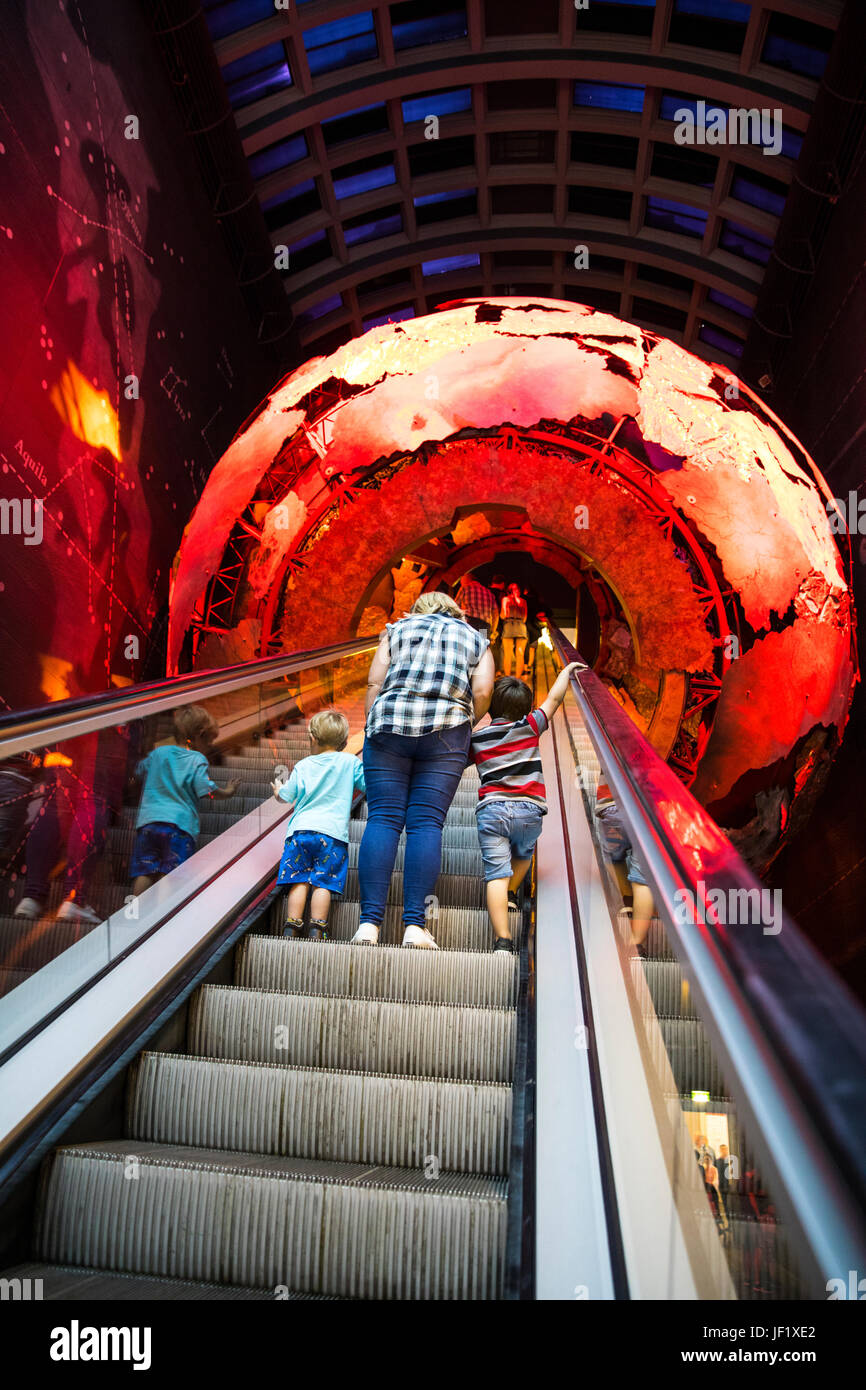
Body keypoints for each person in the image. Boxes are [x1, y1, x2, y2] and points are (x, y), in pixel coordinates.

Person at [353, 591, 495, 948]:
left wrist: (373, 720)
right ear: (456, 610)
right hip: (446, 733)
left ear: (417, 609)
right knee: (426, 825)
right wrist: (465, 723)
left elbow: (374, 682)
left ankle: (369, 925)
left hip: (388, 730)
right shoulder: (475, 639)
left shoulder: (396, 630)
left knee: (382, 819)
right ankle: (415, 926)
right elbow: (483, 690)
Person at [470, 662, 585, 951]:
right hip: (529, 810)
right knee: (523, 853)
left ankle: (503, 940)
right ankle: (511, 892)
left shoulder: (477, 739)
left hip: (493, 810)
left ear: (491, 707)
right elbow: (555, 699)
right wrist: (565, 672)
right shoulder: (530, 725)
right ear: (525, 709)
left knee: (495, 872)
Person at [270, 710, 365, 941]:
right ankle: (317, 928)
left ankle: (291, 927)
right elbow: (367, 785)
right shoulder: (351, 762)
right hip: (332, 836)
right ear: (344, 741)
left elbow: (288, 794)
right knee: (323, 881)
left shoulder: (303, 765)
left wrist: (278, 791)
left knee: (299, 879)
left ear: (312, 738)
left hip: (300, 833)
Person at [130, 705, 239, 896]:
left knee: (144, 871)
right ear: (199, 735)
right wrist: (227, 792)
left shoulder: (159, 753)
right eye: (210, 740)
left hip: (148, 823)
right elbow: (205, 788)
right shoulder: (197, 759)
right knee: (169, 874)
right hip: (178, 827)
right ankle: (161, 917)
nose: (211, 746)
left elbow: (139, 770)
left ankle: (137, 917)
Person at [595, 783, 656, 955]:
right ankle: (636, 942)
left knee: (612, 857)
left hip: (612, 807)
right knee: (642, 881)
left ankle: (627, 899)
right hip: (650, 811)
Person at [454, 574, 499, 638]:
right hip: (485, 626)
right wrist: (493, 631)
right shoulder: (489, 593)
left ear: (467, 579)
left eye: (462, 581)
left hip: (470, 623)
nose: (461, 583)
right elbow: (495, 614)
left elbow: (454, 607)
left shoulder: (465, 588)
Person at [500, 582, 528, 678]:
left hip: (509, 625)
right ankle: (518, 679)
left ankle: (507, 678)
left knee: (507, 654)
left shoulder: (505, 599)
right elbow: (525, 618)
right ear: (518, 591)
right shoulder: (523, 601)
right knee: (520, 653)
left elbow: (503, 615)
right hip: (520, 626)